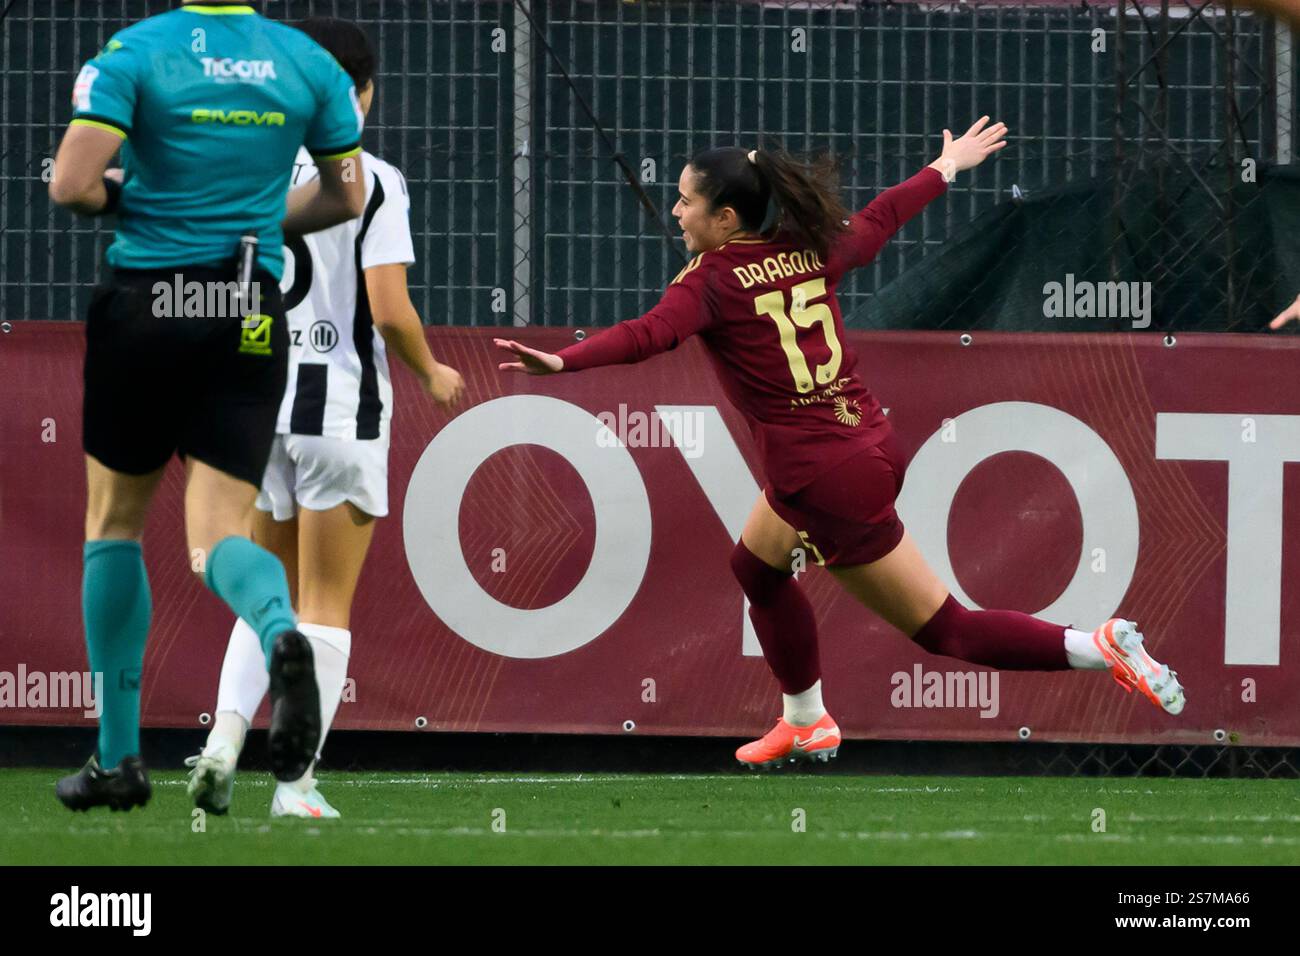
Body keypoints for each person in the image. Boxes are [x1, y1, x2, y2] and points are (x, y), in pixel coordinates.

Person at [496, 119, 1186, 769]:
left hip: (826, 478)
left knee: (947, 631)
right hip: (865, 445)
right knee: (756, 570)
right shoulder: (806, 247)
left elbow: (647, 335)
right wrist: (944, 166)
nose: (676, 213)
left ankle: (1097, 647)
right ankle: (804, 717)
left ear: (726, 219)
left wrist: (564, 362)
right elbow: (881, 219)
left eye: (685, 203)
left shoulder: (710, 283)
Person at [50, 0, 368, 810]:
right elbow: (343, 198)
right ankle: (277, 628)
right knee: (220, 532)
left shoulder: (135, 51)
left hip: (149, 300)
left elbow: (73, 187)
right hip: (247, 307)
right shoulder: (308, 64)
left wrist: (147, 204)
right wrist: (252, 218)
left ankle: (118, 759)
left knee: (115, 523)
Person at [185, 17, 465, 819]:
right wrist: (432, 371)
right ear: (362, 92)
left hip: (251, 404)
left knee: (265, 595)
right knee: (324, 605)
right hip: (337, 406)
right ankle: (294, 785)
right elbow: (390, 308)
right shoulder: (372, 177)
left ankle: (222, 744)